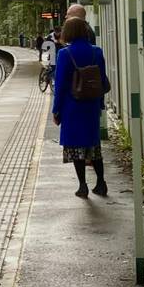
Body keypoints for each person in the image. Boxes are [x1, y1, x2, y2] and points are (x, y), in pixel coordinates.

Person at [52, 16, 111, 198]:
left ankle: (83, 185)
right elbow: (101, 81)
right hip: (91, 105)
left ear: (68, 32)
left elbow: (60, 85)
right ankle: (101, 182)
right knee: (93, 145)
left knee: (76, 147)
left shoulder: (64, 54)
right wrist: (100, 103)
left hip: (72, 107)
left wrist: (56, 110)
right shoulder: (97, 51)